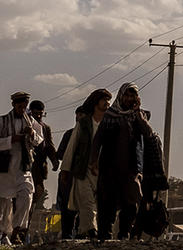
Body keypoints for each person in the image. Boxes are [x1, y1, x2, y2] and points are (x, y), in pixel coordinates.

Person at [92, 82, 163, 240]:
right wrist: (94, 161)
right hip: (109, 168)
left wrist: (137, 114)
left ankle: (124, 234)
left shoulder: (139, 116)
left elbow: (149, 134)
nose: (129, 99)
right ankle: (105, 235)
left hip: (132, 169)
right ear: (121, 96)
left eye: (133, 96)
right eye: (127, 95)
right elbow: (98, 139)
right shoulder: (110, 116)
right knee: (107, 203)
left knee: (131, 203)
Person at [0, 91, 46, 244]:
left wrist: (31, 133)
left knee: (26, 196)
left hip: (23, 166)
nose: (22, 107)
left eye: (24, 104)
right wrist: (11, 139)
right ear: (13, 104)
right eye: (19, 104)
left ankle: (17, 231)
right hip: (3, 167)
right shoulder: (2, 121)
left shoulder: (31, 121)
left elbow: (39, 140)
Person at [60, 89, 111, 238]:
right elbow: (72, 146)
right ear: (96, 102)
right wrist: (65, 170)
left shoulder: (110, 123)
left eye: (108, 100)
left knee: (100, 204)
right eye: (104, 99)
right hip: (83, 170)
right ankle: (91, 230)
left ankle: (84, 231)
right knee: (86, 201)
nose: (107, 103)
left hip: (103, 171)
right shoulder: (84, 123)